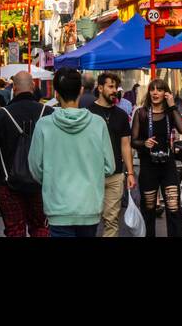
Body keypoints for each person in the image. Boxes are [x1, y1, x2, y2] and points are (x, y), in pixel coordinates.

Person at [27, 66, 114, 238]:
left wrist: (52, 178)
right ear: (81, 91)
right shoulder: (98, 124)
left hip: (58, 207)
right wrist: (91, 172)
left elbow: (35, 168)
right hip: (89, 206)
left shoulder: (44, 125)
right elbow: (109, 166)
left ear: (56, 93)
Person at [0, 71, 51, 237]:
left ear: (14, 88)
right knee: (40, 226)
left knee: (14, 230)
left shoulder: (2, 115)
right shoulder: (48, 113)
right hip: (41, 184)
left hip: (7, 184)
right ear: (33, 87)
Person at [131, 78, 182, 237]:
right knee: (148, 208)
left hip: (168, 165)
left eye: (160, 90)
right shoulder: (141, 113)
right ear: (149, 92)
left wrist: (172, 106)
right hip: (148, 165)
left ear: (165, 93)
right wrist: (144, 143)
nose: (155, 93)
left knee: (173, 206)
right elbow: (133, 141)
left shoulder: (170, 112)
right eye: (152, 89)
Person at [87, 72, 135, 238]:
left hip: (115, 175)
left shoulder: (121, 115)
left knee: (112, 220)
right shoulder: (87, 113)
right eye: (111, 86)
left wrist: (130, 172)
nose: (115, 90)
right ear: (100, 88)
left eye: (116, 87)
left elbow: (125, 145)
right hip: (92, 175)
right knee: (89, 220)